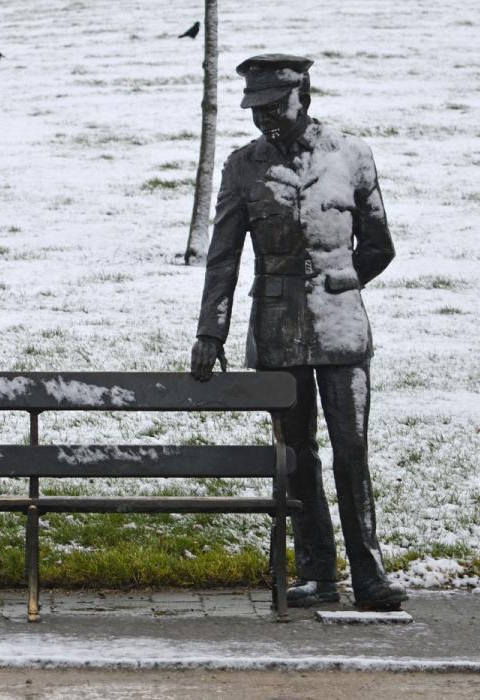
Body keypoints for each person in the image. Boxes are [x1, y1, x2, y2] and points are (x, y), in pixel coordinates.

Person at [190, 54, 406, 611]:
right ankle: (318, 574)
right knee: (297, 456)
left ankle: (370, 576)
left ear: (302, 97)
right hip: (277, 328)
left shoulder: (351, 155)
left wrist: (343, 280)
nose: (264, 118)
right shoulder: (243, 166)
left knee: (351, 451)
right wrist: (211, 332)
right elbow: (223, 257)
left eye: (274, 107)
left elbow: (379, 244)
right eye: (255, 109)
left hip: (341, 330)